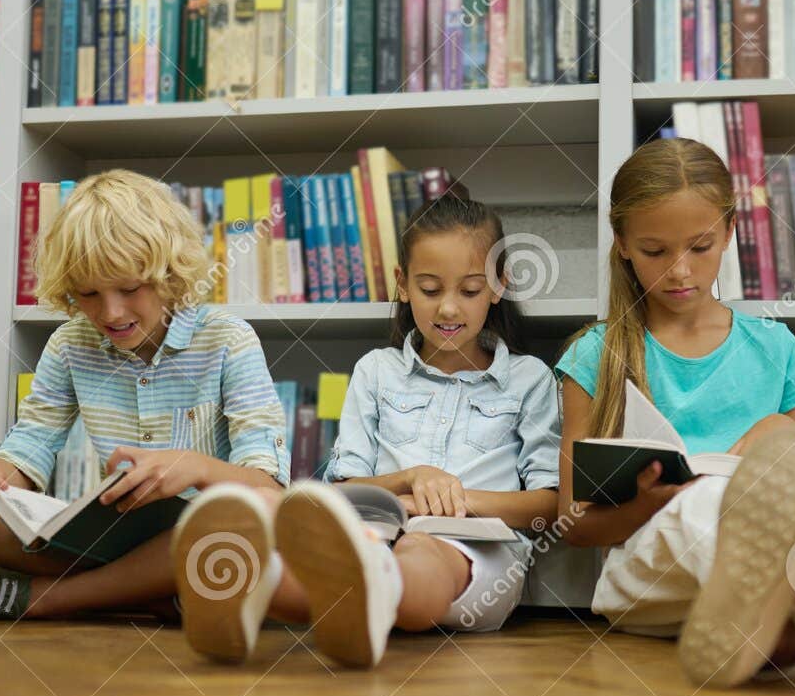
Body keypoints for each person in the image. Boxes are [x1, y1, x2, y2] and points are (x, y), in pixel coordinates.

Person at [555, 138, 795, 690]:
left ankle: (793, 625)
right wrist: (647, 502)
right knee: (708, 499)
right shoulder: (594, 355)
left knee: (782, 630)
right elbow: (572, 524)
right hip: (644, 578)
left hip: (736, 589)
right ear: (621, 244)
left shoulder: (775, 347)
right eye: (655, 251)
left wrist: (779, 431)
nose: (680, 271)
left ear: (731, 231)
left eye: (700, 247)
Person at [170, 191, 561, 668]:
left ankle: (335, 583)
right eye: (431, 289)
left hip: (476, 555)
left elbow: (547, 504)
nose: (449, 310)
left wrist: (453, 500)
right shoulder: (375, 371)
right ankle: (253, 581)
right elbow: (347, 487)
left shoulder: (529, 379)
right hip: (374, 534)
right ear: (402, 284)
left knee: (418, 547)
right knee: (315, 528)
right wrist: (408, 481)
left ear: (499, 286)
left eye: (470, 291)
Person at [0, 169, 289, 621]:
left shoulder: (229, 340)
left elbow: (269, 488)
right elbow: (28, 453)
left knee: (253, 519)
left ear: (169, 275)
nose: (110, 312)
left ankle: (41, 599)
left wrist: (192, 468)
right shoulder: (70, 345)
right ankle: (156, 599)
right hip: (112, 540)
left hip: (201, 532)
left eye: (130, 288)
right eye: (88, 293)